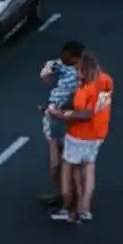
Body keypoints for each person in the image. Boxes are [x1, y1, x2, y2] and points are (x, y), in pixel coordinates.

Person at [46, 53, 113, 223]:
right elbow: (96, 107)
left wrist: (59, 114)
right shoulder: (106, 80)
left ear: (86, 69)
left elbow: (85, 114)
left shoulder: (86, 88)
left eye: (78, 70)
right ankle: (85, 209)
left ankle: (68, 209)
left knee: (71, 170)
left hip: (80, 135)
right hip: (98, 134)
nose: (76, 74)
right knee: (88, 166)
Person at [38, 41, 84, 209]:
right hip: (56, 118)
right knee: (57, 163)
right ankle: (62, 193)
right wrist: (47, 71)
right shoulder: (62, 65)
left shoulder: (85, 72)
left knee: (68, 160)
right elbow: (50, 67)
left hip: (71, 119)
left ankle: (72, 194)